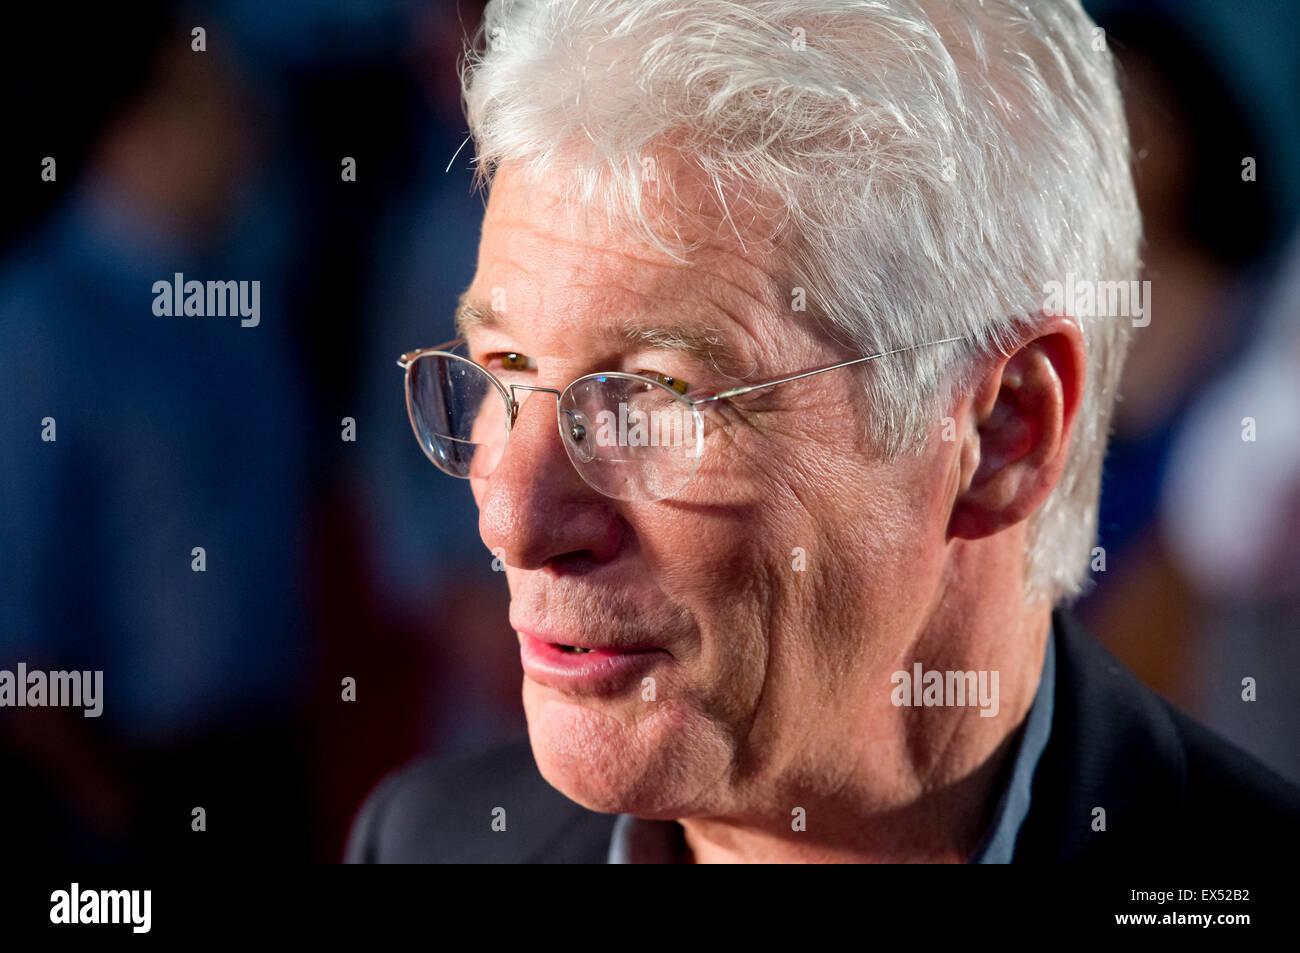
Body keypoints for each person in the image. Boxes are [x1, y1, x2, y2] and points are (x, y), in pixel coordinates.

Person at [345, 0, 1300, 863]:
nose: (510, 520)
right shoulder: (426, 842)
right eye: (503, 369)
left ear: (1001, 430)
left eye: (650, 398)